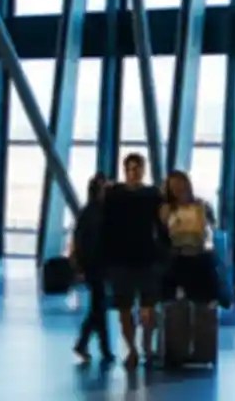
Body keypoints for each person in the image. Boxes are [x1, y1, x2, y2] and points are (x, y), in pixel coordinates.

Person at [102, 153, 168, 367]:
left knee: (147, 307)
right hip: (121, 258)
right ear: (125, 171)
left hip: (144, 256)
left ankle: (145, 346)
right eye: (130, 169)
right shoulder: (115, 194)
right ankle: (133, 349)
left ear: (143, 170)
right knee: (125, 308)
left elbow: (161, 224)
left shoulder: (151, 195)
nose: (133, 173)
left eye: (137, 169)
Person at [72, 174, 114, 364]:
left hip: (94, 265)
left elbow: (79, 240)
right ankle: (91, 345)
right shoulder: (98, 213)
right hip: (96, 265)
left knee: (99, 307)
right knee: (99, 307)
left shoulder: (89, 212)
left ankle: (98, 347)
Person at [160, 171, 218, 304]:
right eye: (174, 186)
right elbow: (161, 232)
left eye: (181, 184)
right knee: (172, 304)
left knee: (203, 303)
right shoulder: (166, 209)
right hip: (175, 260)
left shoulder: (202, 205)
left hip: (199, 258)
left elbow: (213, 228)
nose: (178, 189)